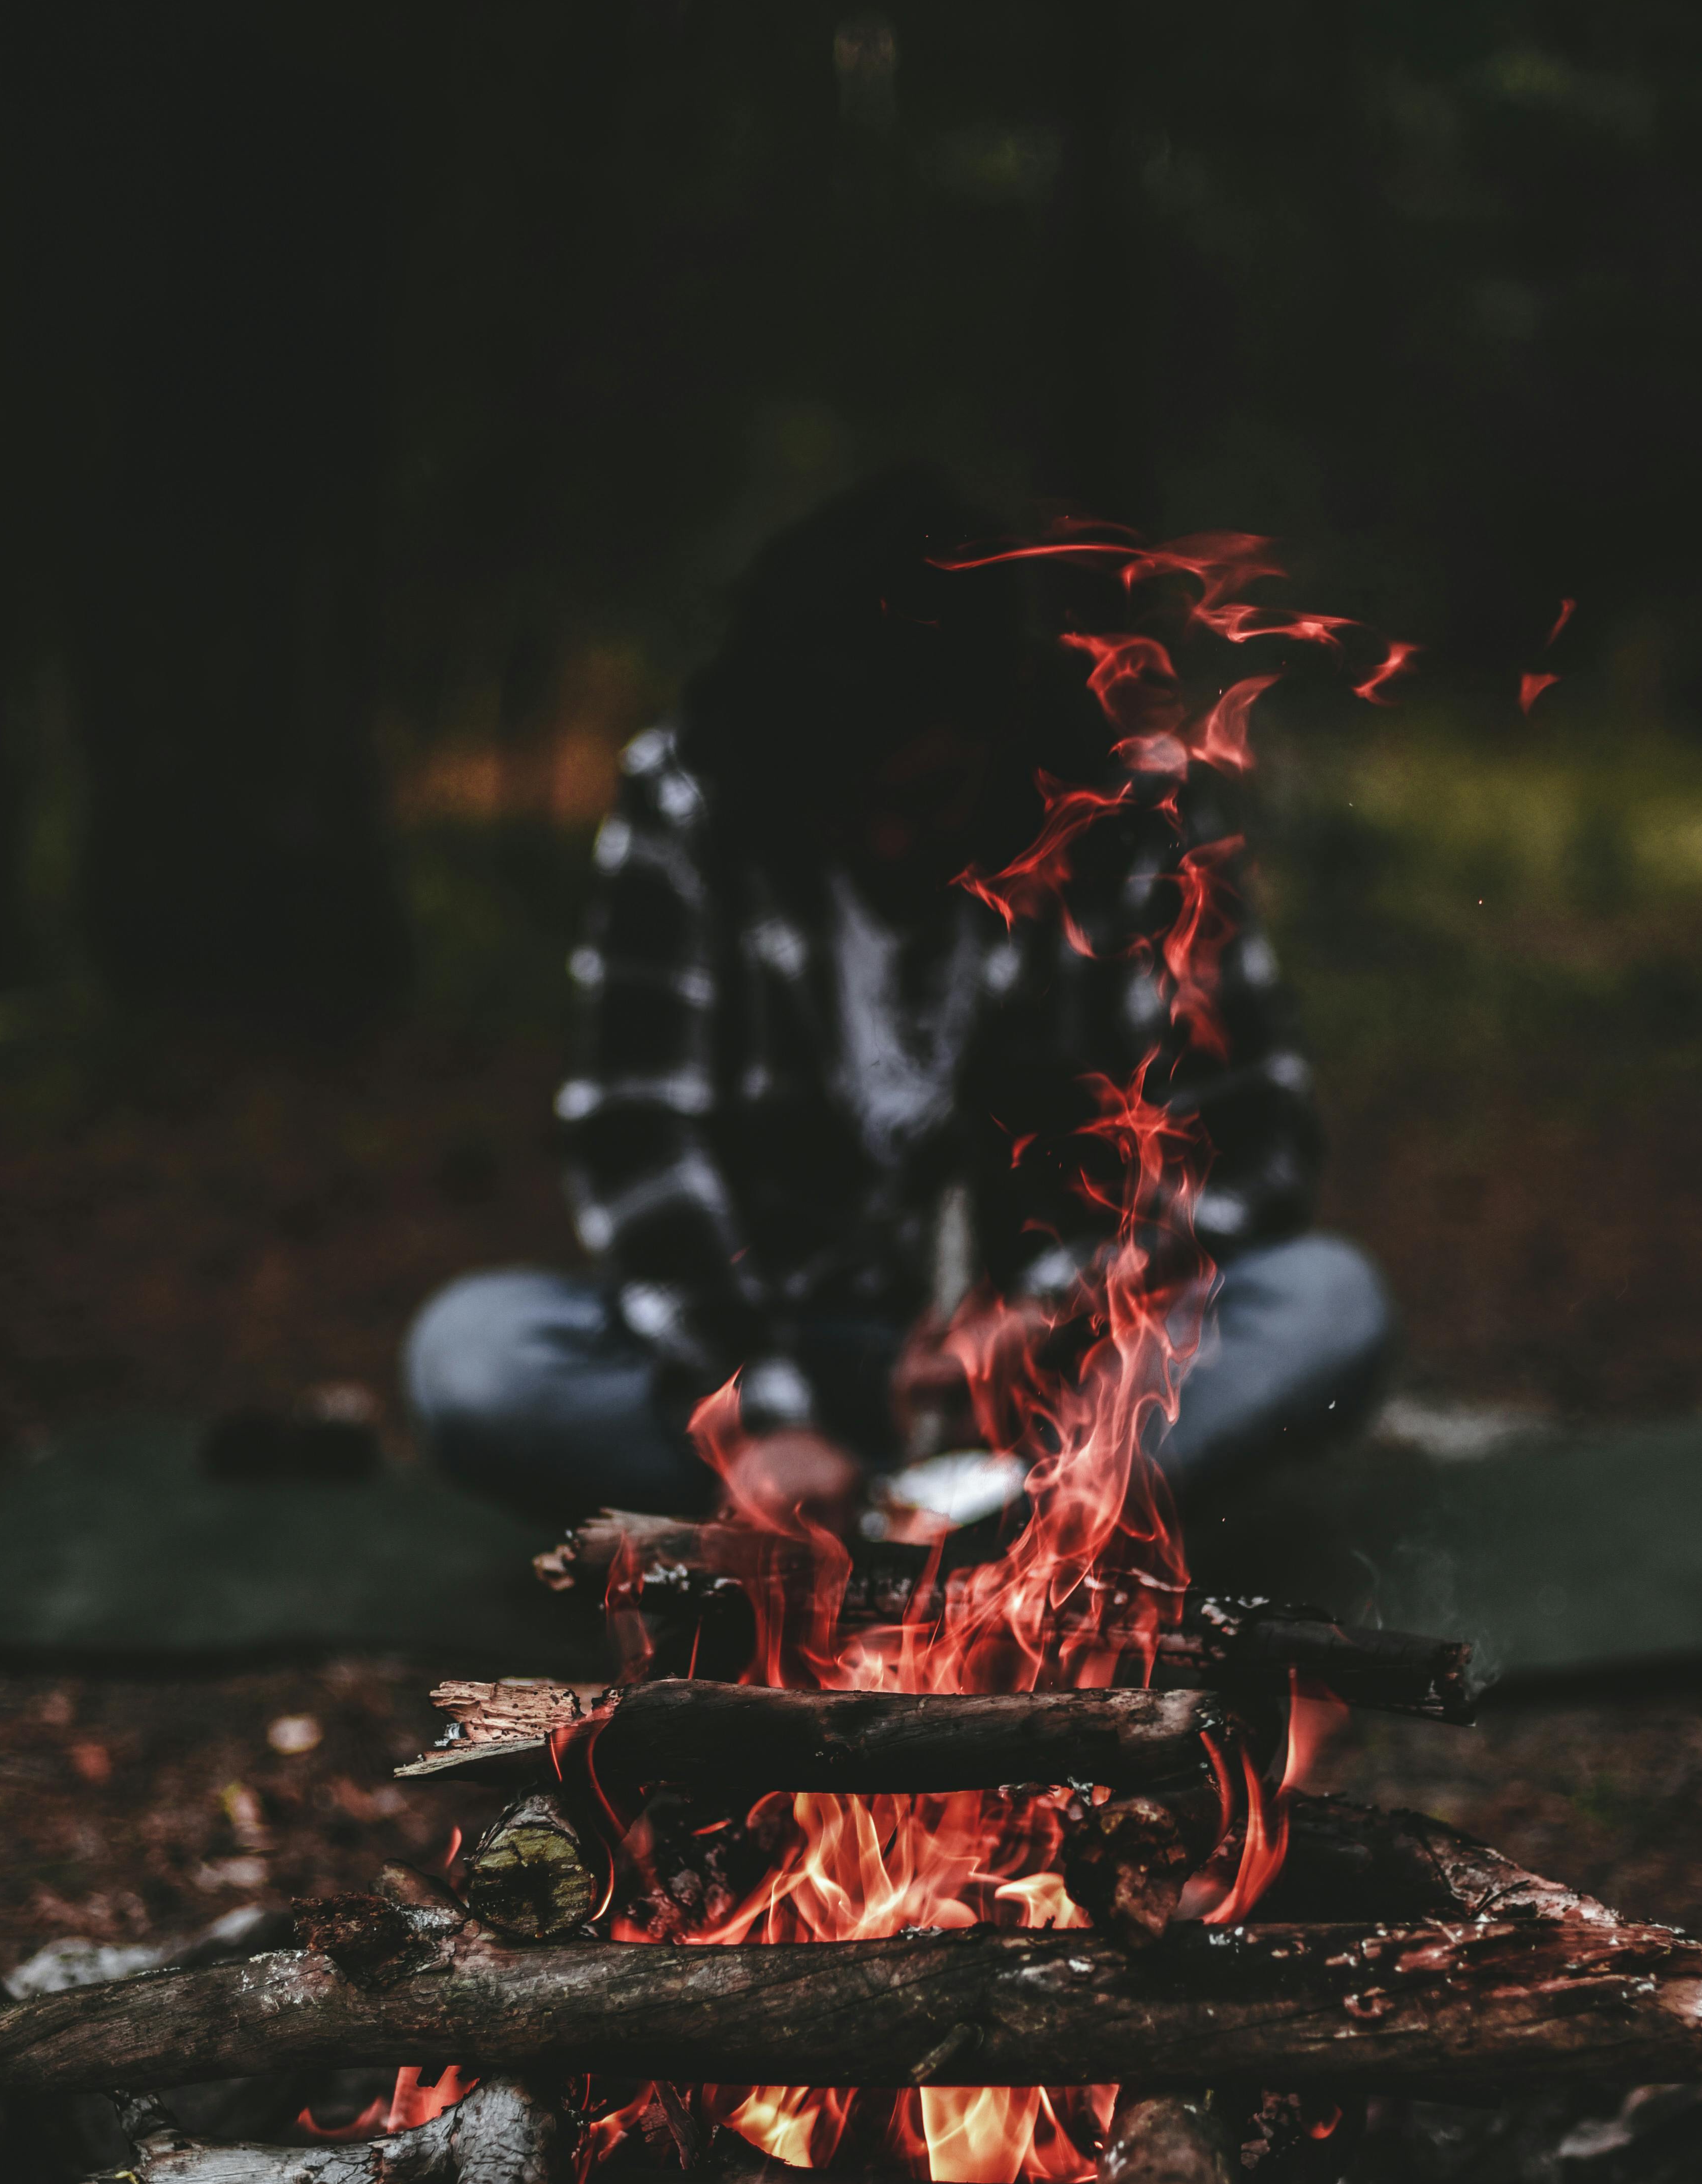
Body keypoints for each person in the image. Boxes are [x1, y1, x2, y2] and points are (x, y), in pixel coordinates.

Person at [404, 468, 1392, 1532]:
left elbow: (1252, 1141)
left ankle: (1013, 1519)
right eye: (841, 800)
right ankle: (860, 1515)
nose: (884, 840)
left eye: (924, 797)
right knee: (477, 1356)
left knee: (1327, 1304)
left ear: (1002, 731)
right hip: (776, 1344)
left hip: (1066, 1379)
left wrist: (1061, 1310)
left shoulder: (1127, 806)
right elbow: (639, 1147)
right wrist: (760, 1416)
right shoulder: (693, 798)